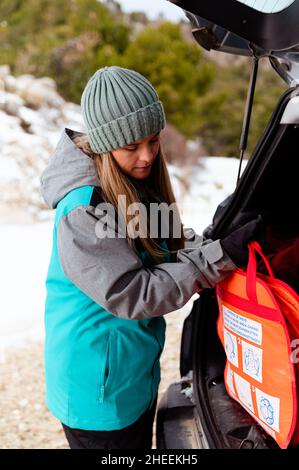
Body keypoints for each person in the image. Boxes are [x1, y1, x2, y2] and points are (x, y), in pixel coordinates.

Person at [40, 65, 262, 449]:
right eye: (131, 147)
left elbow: (165, 244)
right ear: (105, 144)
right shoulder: (83, 209)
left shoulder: (129, 182)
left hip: (128, 374)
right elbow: (136, 293)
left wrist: (216, 245)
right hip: (97, 388)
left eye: (154, 141)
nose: (147, 156)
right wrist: (217, 259)